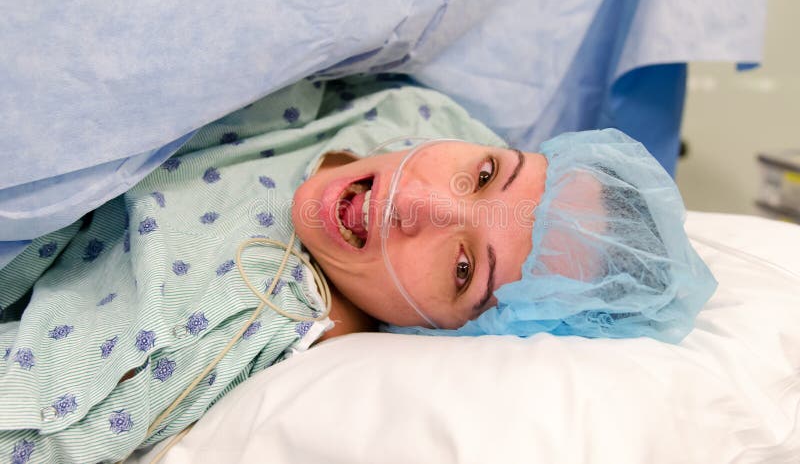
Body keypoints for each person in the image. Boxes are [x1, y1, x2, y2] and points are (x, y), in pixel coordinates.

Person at [0, 76, 715, 463]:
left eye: (463, 267)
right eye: (485, 174)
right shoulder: (413, 110)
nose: (417, 201)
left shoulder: (229, 324)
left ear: (454, 335)